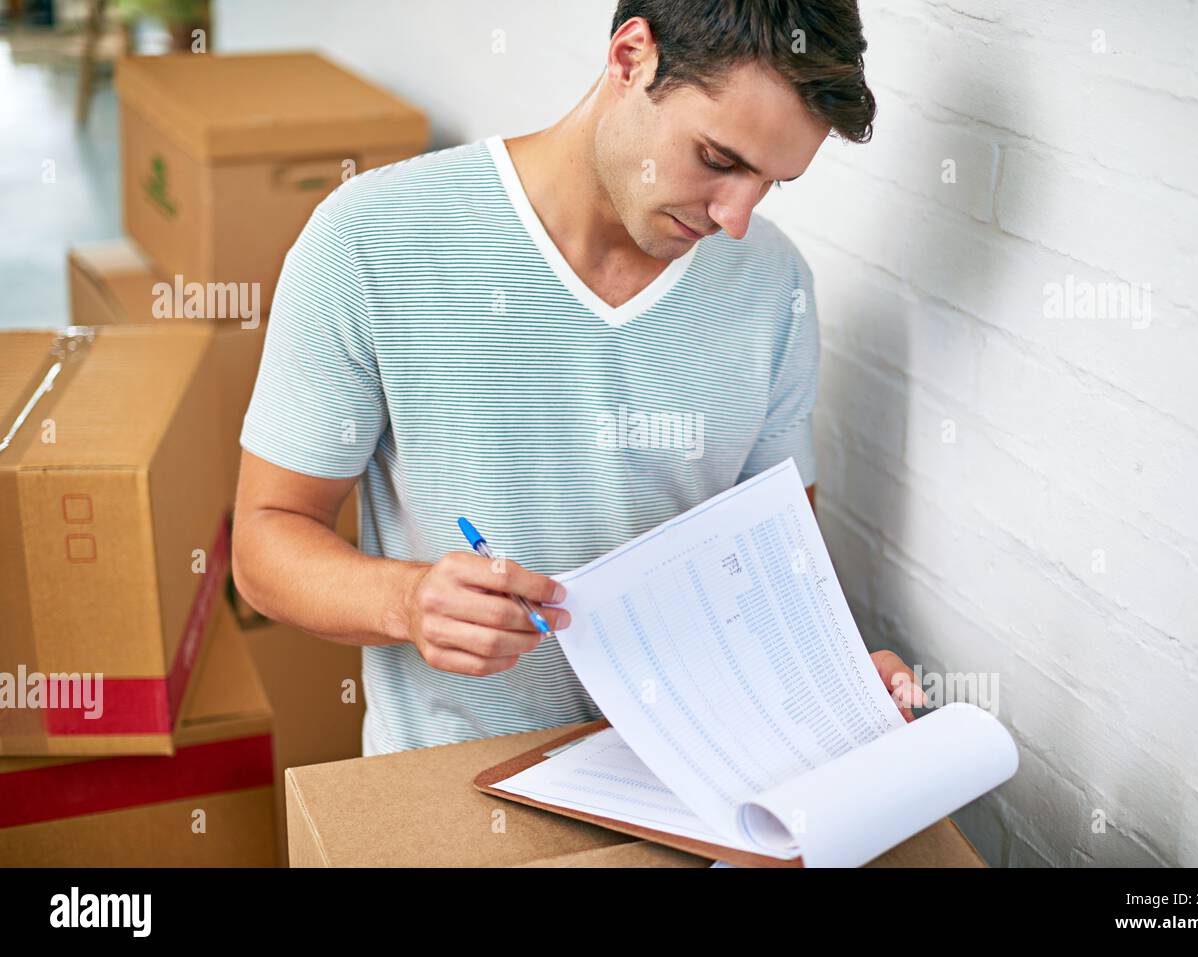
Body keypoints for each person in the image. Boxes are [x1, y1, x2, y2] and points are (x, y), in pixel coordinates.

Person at [232, 0, 926, 756]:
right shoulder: (370, 240)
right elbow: (265, 542)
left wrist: (837, 681)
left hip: (695, 777)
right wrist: (407, 601)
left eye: (770, 184)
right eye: (719, 161)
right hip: (449, 787)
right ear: (631, 58)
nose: (734, 217)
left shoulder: (774, 287)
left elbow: (777, 572)